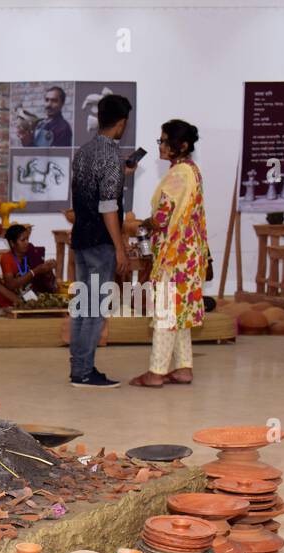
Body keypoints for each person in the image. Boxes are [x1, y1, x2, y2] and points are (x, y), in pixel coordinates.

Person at [130, 121, 209, 388]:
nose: (161, 146)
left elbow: (163, 217)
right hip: (190, 253)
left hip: (175, 254)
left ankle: (155, 372)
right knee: (181, 310)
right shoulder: (192, 171)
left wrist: (142, 224)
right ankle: (184, 367)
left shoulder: (178, 175)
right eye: (160, 141)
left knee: (165, 311)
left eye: (165, 141)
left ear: (182, 146)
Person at [67, 92, 133, 389]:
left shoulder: (83, 152)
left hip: (81, 238)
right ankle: (83, 372)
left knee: (83, 307)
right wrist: (120, 248)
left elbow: (89, 194)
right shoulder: (111, 156)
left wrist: (122, 174)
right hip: (101, 243)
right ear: (121, 123)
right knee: (95, 309)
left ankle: (78, 367)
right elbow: (108, 206)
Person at [0, 224, 59, 307]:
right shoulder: (6, 258)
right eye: (23, 240)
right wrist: (34, 271)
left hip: (33, 292)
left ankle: (30, 303)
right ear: (12, 243)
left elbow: (42, 279)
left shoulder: (32, 252)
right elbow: (10, 285)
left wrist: (48, 268)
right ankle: (22, 303)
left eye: (27, 239)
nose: (27, 242)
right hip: (15, 295)